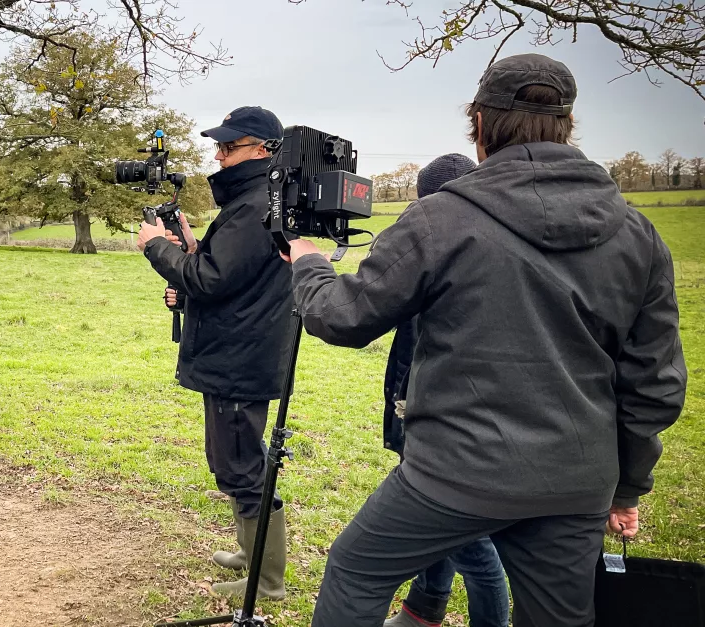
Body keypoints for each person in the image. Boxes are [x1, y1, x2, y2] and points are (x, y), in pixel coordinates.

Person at [283, 54, 686, 627]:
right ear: (567, 125)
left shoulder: (440, 219)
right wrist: (627, 487)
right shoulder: (638, 232)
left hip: (456, 473)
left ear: (479, 123)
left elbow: (343, 317)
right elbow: (655, 384)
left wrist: (309, 263)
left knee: (356, 570)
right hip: (578, 482)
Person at [137, 106, 294, 600]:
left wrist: (156, 248)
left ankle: (264, 582)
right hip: (243, 347)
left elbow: (210, 278)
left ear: (265, 150)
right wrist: (189, 243)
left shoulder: (254, 206)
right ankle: (253, 557)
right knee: (241, 459)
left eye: (232, 147)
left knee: (241, 467)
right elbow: (227, 271)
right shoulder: (258, 199)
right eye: (220, 147)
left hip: (239, 356)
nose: (221, 156)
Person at [380, 154, 510, 627]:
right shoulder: (459, 242)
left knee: (472, 547)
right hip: (417, 395)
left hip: (447, 418)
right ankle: (425, 607)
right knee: (431, 521)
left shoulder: (464, 250)